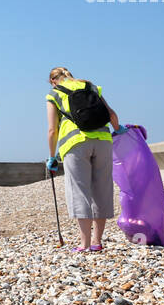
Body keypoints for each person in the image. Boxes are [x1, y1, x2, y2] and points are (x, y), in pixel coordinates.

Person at [46, 67, 127, 252]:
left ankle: (84, 244)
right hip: (104, 141)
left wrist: (52, 157)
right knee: (102, 188)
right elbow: (111, 114)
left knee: (80, 191)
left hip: (75, 144)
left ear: (53, 80)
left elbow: (52, 130)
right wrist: (118, 129)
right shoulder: (90, 87)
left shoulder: (55, 94)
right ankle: (97, 242)